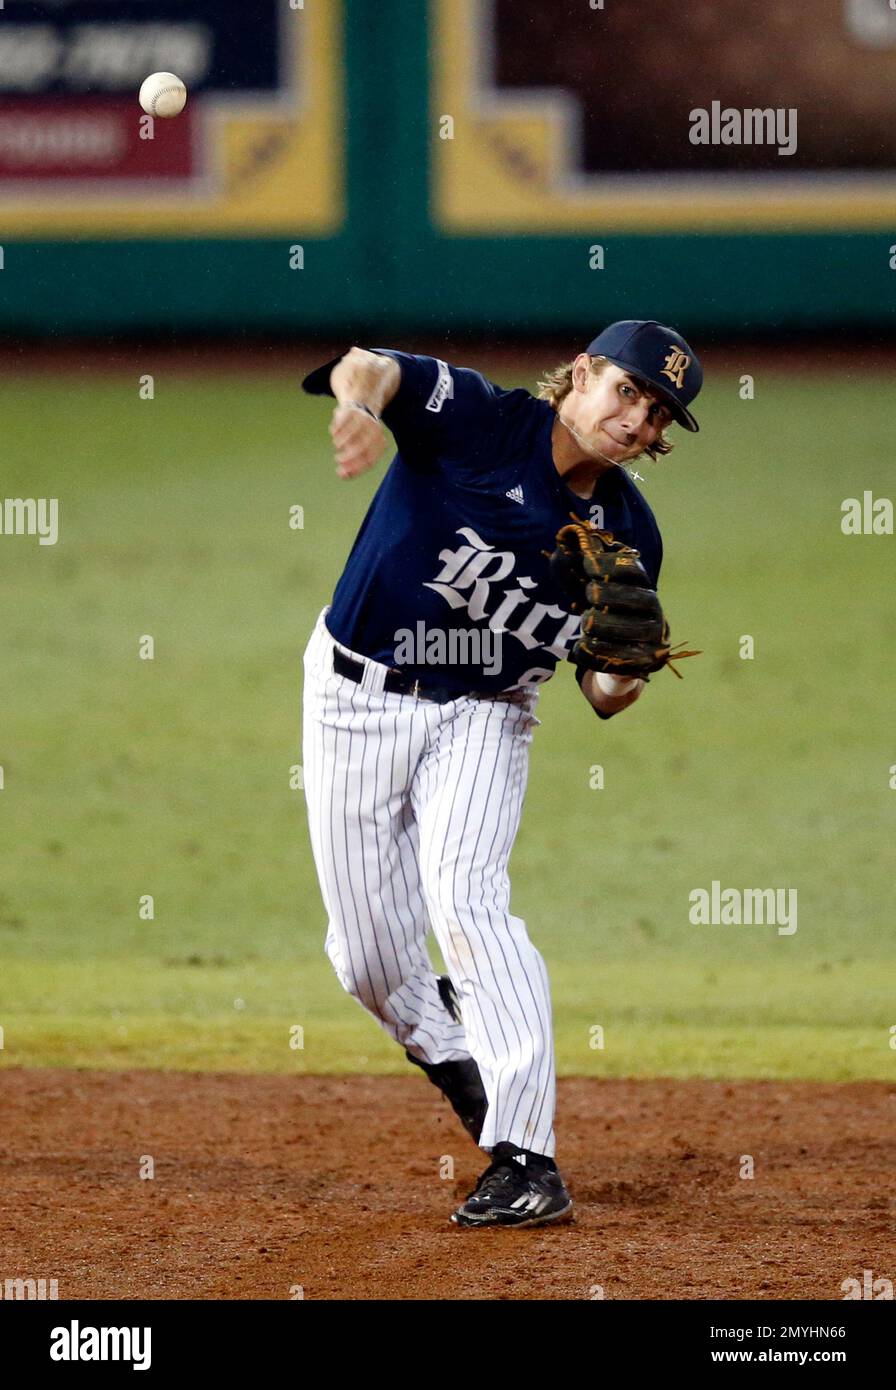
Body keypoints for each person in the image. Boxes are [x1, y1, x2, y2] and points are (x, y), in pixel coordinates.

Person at [300, 320, 703, 1227]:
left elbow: (604, 692)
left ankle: (527, 1155)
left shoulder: (629, 531)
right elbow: (368, 363)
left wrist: (624, 667)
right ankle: (455, 1055)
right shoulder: (481, 419)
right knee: (367, 960)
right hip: (352, 695)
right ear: (583, 375)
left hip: (487, 712)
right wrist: (360, 408)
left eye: (657, 413)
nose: (636, 421)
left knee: (467, 898)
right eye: (628, 392)